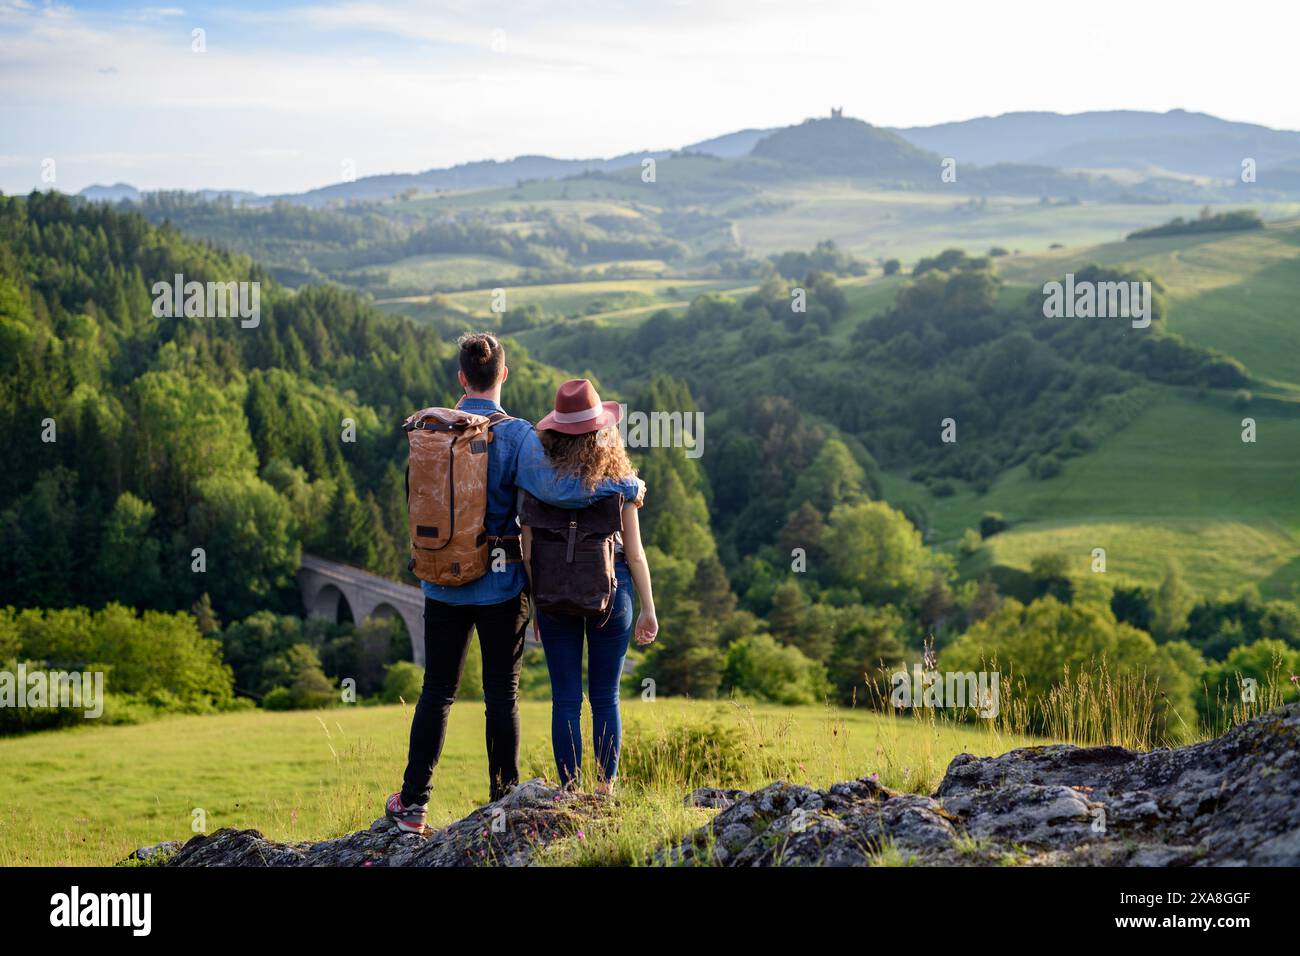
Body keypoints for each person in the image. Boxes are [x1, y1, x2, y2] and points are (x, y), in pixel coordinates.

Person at [386, 335, 643, 834]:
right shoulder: (519, 434)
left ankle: (413, 805)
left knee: (436, 690)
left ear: (462, 378)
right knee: (500, 695)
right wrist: (624, 485)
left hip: (440, 582)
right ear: (504, 375)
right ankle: (501, 802)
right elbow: (561, 492)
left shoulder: (429, 428)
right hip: (501, 585)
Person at [521, 379, 659, 794]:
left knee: (564, 698)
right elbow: (634, 555)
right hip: (611, 593)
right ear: (602, 432)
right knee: (605, 697)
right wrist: (649, 608)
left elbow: (528, 552)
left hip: (553, 596)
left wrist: (535, 606)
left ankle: (569, 789)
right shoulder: (619, 483)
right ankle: (605, 789)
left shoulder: (535, 483)